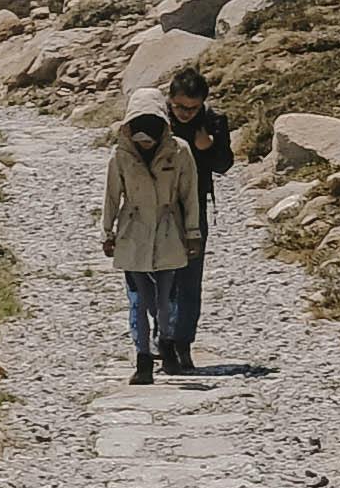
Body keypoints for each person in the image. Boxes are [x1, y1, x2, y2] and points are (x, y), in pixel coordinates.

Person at [102, 92, 206, 384]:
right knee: (138, 298)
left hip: (167, 228)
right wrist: (107, 232)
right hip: (133, 230)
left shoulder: (179, 151)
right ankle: (143, 358)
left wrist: (193, 233)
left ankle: (167, 344)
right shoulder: (121, 155)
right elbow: (111, 196)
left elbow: (189, 195)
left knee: (165, 298)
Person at [157, 75, 240, 369]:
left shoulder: (214, 121)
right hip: (157, 206)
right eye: (178, 106)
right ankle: (162, 335)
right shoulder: (157, 118)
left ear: (203, 103)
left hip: (194, 206)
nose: (184, 113)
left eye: (191, 108)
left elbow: (224, 164)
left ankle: (182, 342)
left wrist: (207, 147)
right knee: (158, 274)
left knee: (190, 276)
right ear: (170, 99)